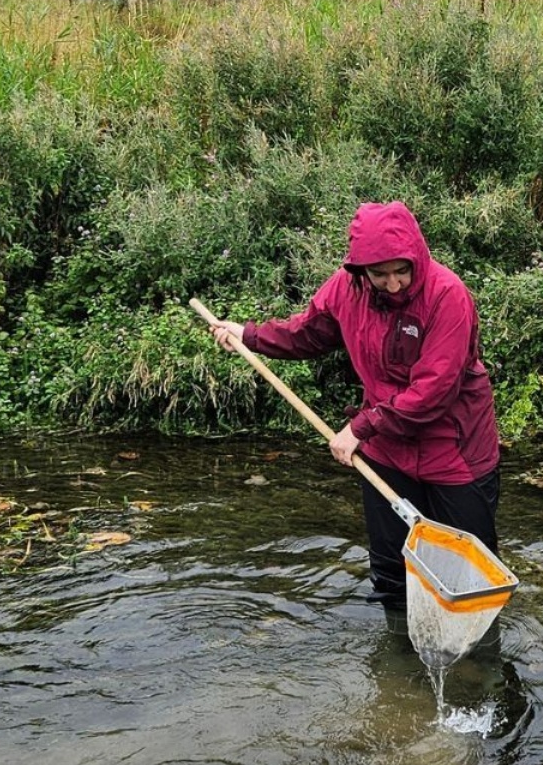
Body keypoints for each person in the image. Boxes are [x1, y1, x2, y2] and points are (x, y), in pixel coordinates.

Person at [209, 200, 501, 638]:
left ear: (416, 256)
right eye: (379, 274)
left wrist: (360, 428)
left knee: (470, 574)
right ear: (360, 270)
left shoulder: (447, 295)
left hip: (454, 450)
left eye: (400, 271)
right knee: (391, 568)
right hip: (386, 450)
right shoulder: (348, 290)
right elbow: (307, 332)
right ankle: (401, 667)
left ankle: (478, 663)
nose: (392, 283)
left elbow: (432, 391)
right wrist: (249, 335)